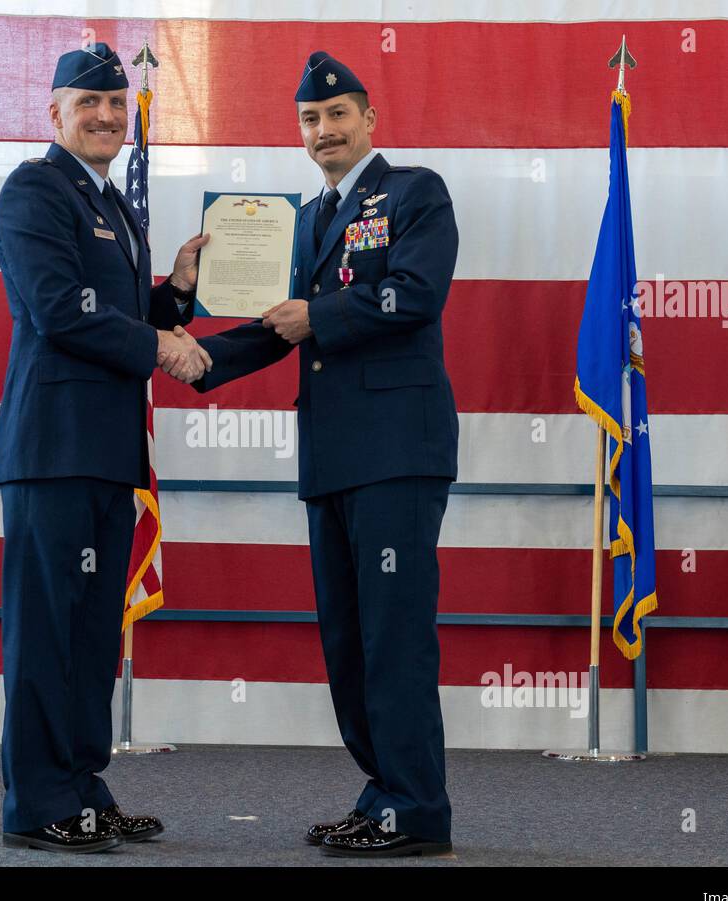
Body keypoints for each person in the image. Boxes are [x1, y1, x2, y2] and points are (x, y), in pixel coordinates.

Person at [184, 51, 460, 858]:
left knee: (394, 636)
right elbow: (279, 321)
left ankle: (416, 811)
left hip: (396, 451)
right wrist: (197, 354)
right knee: (348, 639)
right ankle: (384, 797)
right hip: (332, 456)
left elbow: (415, 292)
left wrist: (324, 316)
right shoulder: (302, 218)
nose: (324, 130)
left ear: (369, 119)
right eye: (310, 118)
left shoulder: (415, 191)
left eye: (338, 115)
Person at [0, 42, 212, 853]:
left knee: (90, 632)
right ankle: (38, 801)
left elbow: (114, 308)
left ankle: (82, 785)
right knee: (47, 631)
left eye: (117, 103)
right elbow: (61, 310)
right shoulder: (33, 192)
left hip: (106, 451)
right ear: (55, 112)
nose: (108, 116)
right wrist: (162, 347)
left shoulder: (115, 206)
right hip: (51, 451)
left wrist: (176, 292)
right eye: (90, 103)